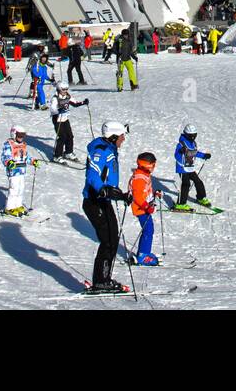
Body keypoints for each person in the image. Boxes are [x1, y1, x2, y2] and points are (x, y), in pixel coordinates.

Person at [82, 121, 130, 293]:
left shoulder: (110, 149)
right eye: (122, 135)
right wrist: (102, 190)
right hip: (95, 202)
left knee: (112, 239)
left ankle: (104, 278)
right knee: (108, 240)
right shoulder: (101, 151)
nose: (124, 139)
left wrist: (121, 195)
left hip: (103, 201)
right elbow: (93, 175)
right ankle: (101, 281)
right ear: (114, 136)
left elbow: (108, 179)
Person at [128, 152, 161, 266]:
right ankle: (143, 256)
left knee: (149, 230)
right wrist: (147, 207)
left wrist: (155, 194)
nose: (154, 167)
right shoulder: (139, 178)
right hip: (141, 209)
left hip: (145, 208)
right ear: (146, 165)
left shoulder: (145, 175)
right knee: (148, 231)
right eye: (152, 165)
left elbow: (145, 191)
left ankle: (144, 253)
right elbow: (137, 197)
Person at [173, 125, 213, 210]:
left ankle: (201, 198)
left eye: (194, 135)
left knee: (198, 182)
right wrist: (180, 152)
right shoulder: (181, 144)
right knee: (186, 184)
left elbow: (195, 153)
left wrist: (204, 155)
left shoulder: (193, 144)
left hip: (190, 167)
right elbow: (176, 156)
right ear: (186, 134)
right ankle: (181, 204)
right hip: (182, 168)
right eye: (190, 135)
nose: (192, 137)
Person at [1, 124, 39, 216]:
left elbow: (26, 157)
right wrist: (9, 162)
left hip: (22, 171)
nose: (21, 138)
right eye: (19, 135)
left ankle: (18, 205)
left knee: (20, 188)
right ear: (14, 134)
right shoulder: (9, 144)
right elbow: (5, 157)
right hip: (13, 171)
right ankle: (9, 208)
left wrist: (32, 161)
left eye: (23, 136)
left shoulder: (23, 145)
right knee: (14, 189)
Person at [49, 83, 88, 162]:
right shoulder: (55, 98)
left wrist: (83, 102)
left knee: (70, 136)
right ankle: (57, 156)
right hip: (57, 119)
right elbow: (52, 109)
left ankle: (68, 152)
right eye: (63, 90)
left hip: (65, 118)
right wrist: (58, 110)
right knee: (62, 137)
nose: (65, 91)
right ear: (59, 90)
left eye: (66, 89)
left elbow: (75, 103)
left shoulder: (67, 96)